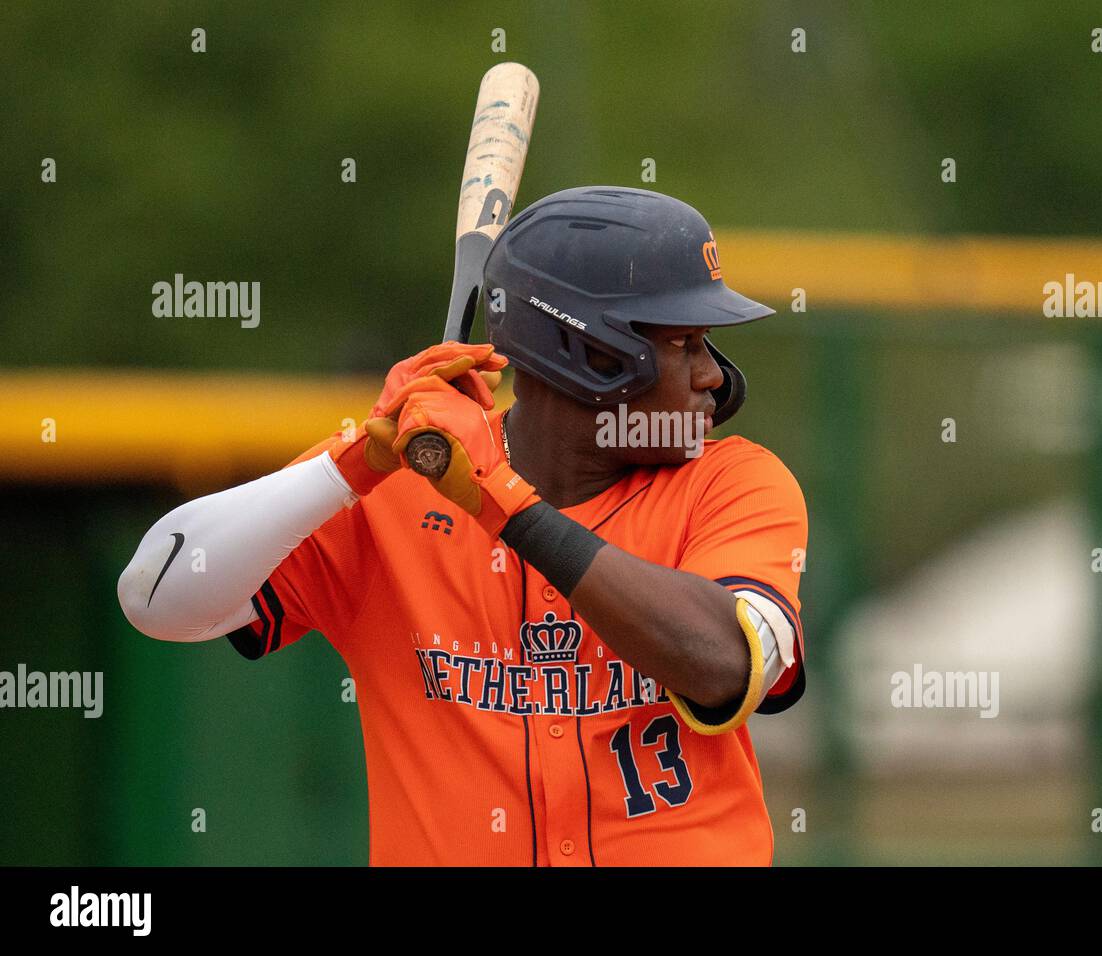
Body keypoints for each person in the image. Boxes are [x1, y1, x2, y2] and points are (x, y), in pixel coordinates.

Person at [118, 185, 808, 866]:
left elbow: (725, 664)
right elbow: (155, 598)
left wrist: (499, 500)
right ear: (588, 353)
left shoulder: (734, 482)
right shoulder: (390, 494)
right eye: (683, 343)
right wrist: (361, 456)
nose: (712, 376)